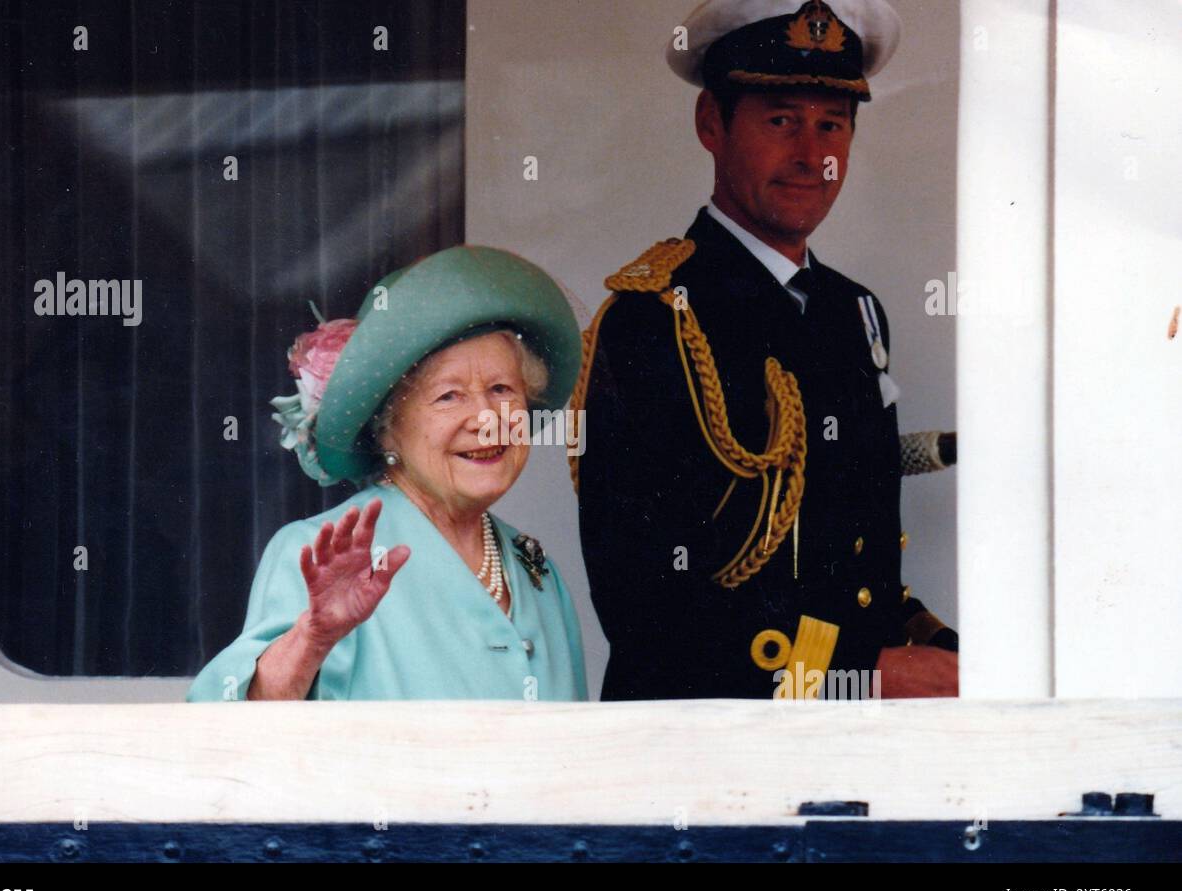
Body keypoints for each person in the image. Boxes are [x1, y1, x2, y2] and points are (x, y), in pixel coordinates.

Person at [572, 0, 958, 700]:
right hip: (705, 743)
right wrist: (864, 676)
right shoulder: (652, 321)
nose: (812, 155)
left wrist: (939, 645)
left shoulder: (855, 312)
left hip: (841, 735)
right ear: (711, 125)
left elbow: (857, 565)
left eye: (832, 125)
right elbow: (642, 605)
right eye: (781, 120)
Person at [188, 246, 588, 701]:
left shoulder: (537, 570)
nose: (486, 418)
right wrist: (313, 638)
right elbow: (233, 727)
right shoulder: (317, 552)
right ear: (389, 430)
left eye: (501, 390)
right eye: (449, 396)